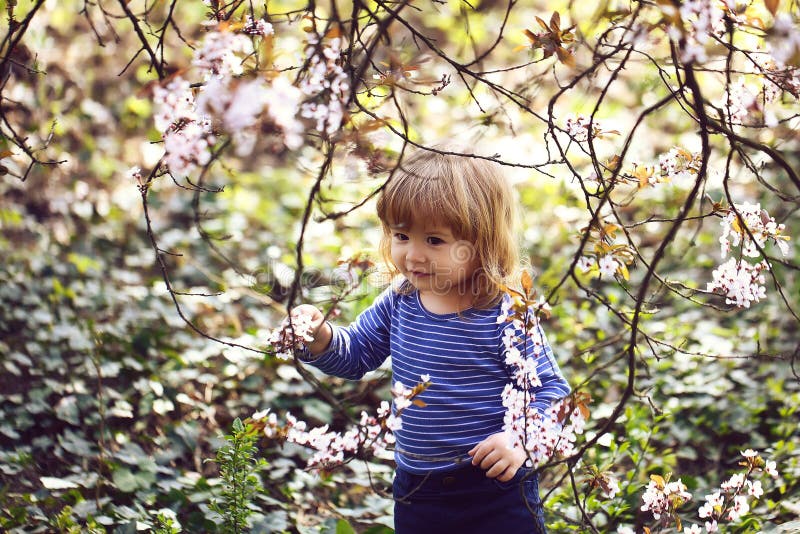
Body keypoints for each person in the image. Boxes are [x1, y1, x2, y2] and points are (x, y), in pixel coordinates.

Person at [288, 146, 571, 534]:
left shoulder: (505, 311)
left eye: (435, 241)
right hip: (418, 488)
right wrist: (319, 337)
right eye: (402, 235)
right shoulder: (401, 299)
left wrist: (519, 438)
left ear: (481, 241)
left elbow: (553, 391)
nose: (413, 255)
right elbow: (355, 354)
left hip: (494, 487)